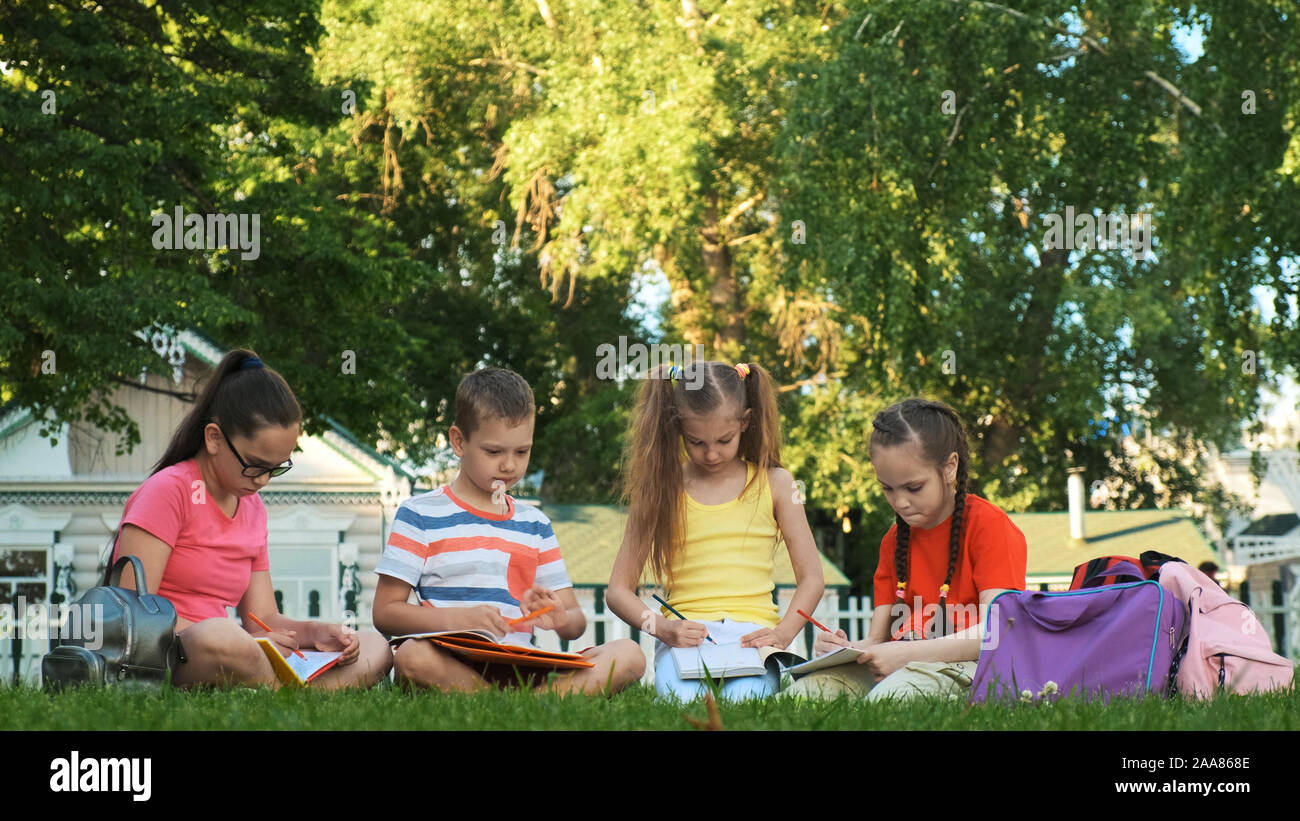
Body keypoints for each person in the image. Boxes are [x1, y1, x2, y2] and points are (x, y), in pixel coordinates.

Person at [111, 349, 393, 689]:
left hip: (237, 650)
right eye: (255, 465)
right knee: (221, 634)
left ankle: (285, 687)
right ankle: (293, 692)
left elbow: (263, 620)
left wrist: (316, 632)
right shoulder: (168, 491)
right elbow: (132, 612)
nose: (263, 480)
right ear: (214, 438)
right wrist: (248, 644)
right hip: (170, 652)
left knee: (376, 647)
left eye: (276, 469)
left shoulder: (252, 507)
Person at [374, 367, 645, 694]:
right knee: (412, 656)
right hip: (448, 661)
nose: (509, 466)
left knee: (630, 654)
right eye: (494, 452)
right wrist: (457, 620)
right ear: (459, 441)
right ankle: (530, 704)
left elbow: (575, 621)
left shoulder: (535, 524)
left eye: (522, 452)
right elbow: (385, 612)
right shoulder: (420, 514)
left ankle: (525, 700)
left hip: (521, 667)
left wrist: (558, 617)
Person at [606, 361, 825, 700]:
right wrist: (663, 628)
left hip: (753, 641)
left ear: (746, 422)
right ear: (678, 429)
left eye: (725, 440)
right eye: (696, 442)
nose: (711, 454)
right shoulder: (660, 489)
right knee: (683, 705)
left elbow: (812, 578)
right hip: (685, 641)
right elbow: (618, 590)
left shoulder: (777, 483)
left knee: (746, 703)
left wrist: (782, 635)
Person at [785, 398, 1026, 701]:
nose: (899, 502)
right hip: (900, 661)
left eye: (913, 488)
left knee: (890, 699)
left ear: (950, 467)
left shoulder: (988, 525)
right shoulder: (893, 540)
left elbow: (997, 630)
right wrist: (844, 650)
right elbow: (878, 639)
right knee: (804, 694)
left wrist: (908, 653)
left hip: (968, 665)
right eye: (887, 488)